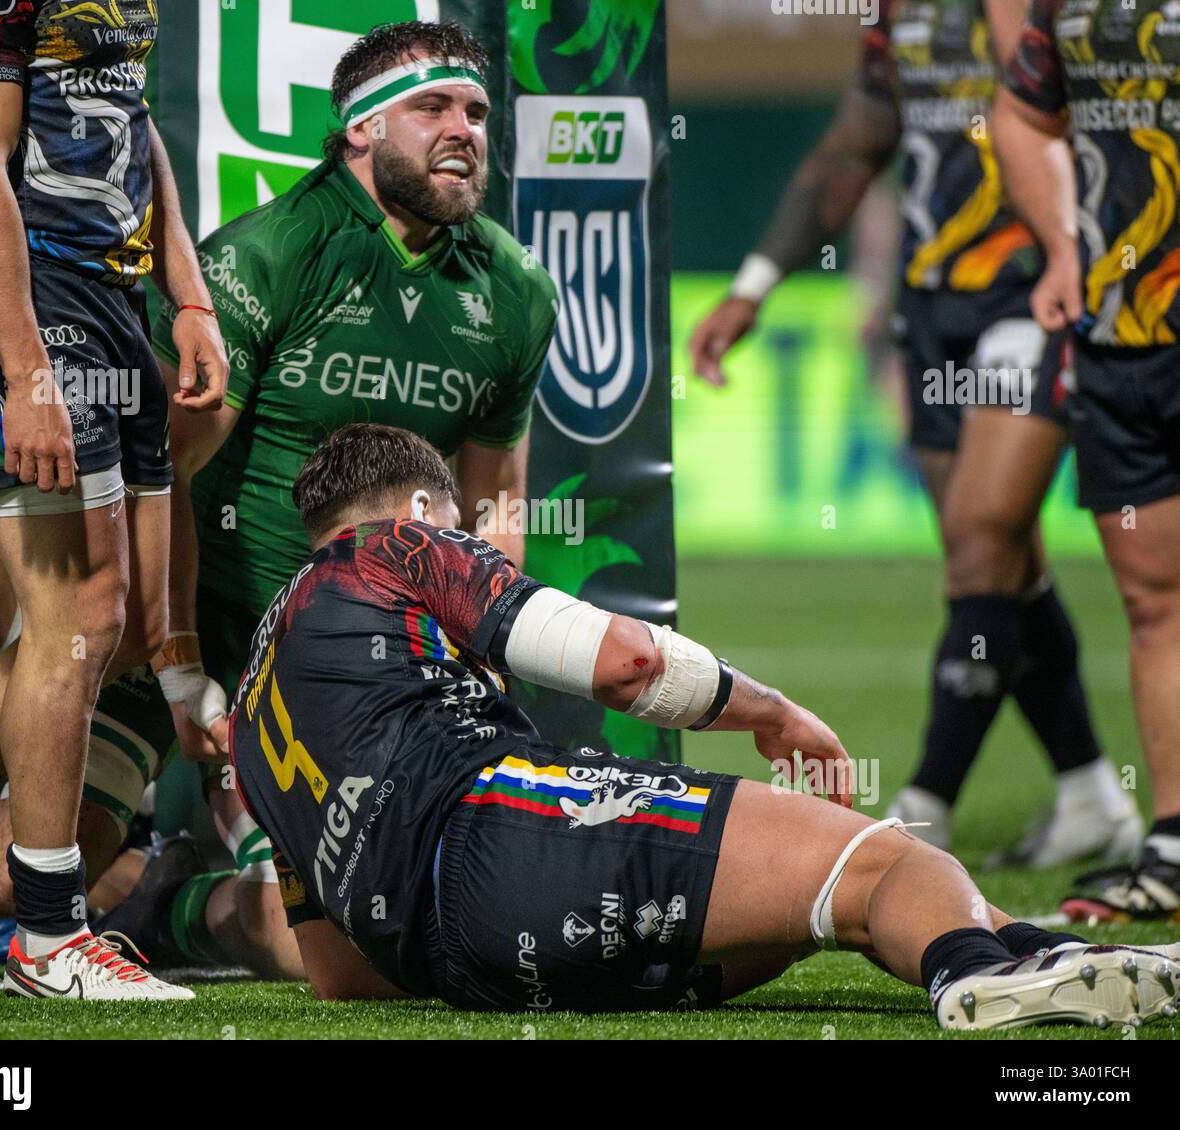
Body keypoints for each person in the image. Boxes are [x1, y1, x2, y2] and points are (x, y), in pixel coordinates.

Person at [228, 422, 1178, 1027]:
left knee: (842, 905)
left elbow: (338, 978)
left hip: (467, 959)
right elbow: (621, 661)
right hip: (499, 830)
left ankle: (1052, 958)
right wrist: (772, 711)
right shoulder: (400, 543)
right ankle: (978, 978)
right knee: (891, 861)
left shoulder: (253, 701)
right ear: (429, 508)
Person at [118, 20, 557, 978]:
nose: (464, 130)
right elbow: (162, 474)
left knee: (381, 931)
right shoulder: (267, 258)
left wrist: (484, 641)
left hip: (376, 664)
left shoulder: (516, 291)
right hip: (218, 638)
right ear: (358, 130)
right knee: (14, 874)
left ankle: (167, 899)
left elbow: (497, 506)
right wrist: (183, 660)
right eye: (432, 107)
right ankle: (136, 883)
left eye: (477, 112)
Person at [687, 0, 1138, 865]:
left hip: (1035, 291)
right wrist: (753, 285)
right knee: (1003, 559)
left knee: (979, 539)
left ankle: (924, 801)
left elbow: (1066, 111)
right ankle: (1087, 786)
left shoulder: (1057, 15)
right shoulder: (902, 15)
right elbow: (854, 150)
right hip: (932, 308)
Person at [0, 3, 227, 1000]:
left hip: (111, 301)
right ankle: (47, 934)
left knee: (109, 618)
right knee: (75, 613)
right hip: (23, 301)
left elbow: (127, 110)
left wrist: (187, 290)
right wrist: (27, 369)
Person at [994, 0, 1180, 920]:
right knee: (1153, 599)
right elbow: (1023, 113)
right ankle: (1175, 844)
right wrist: (1062, 247)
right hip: (1120, 340)